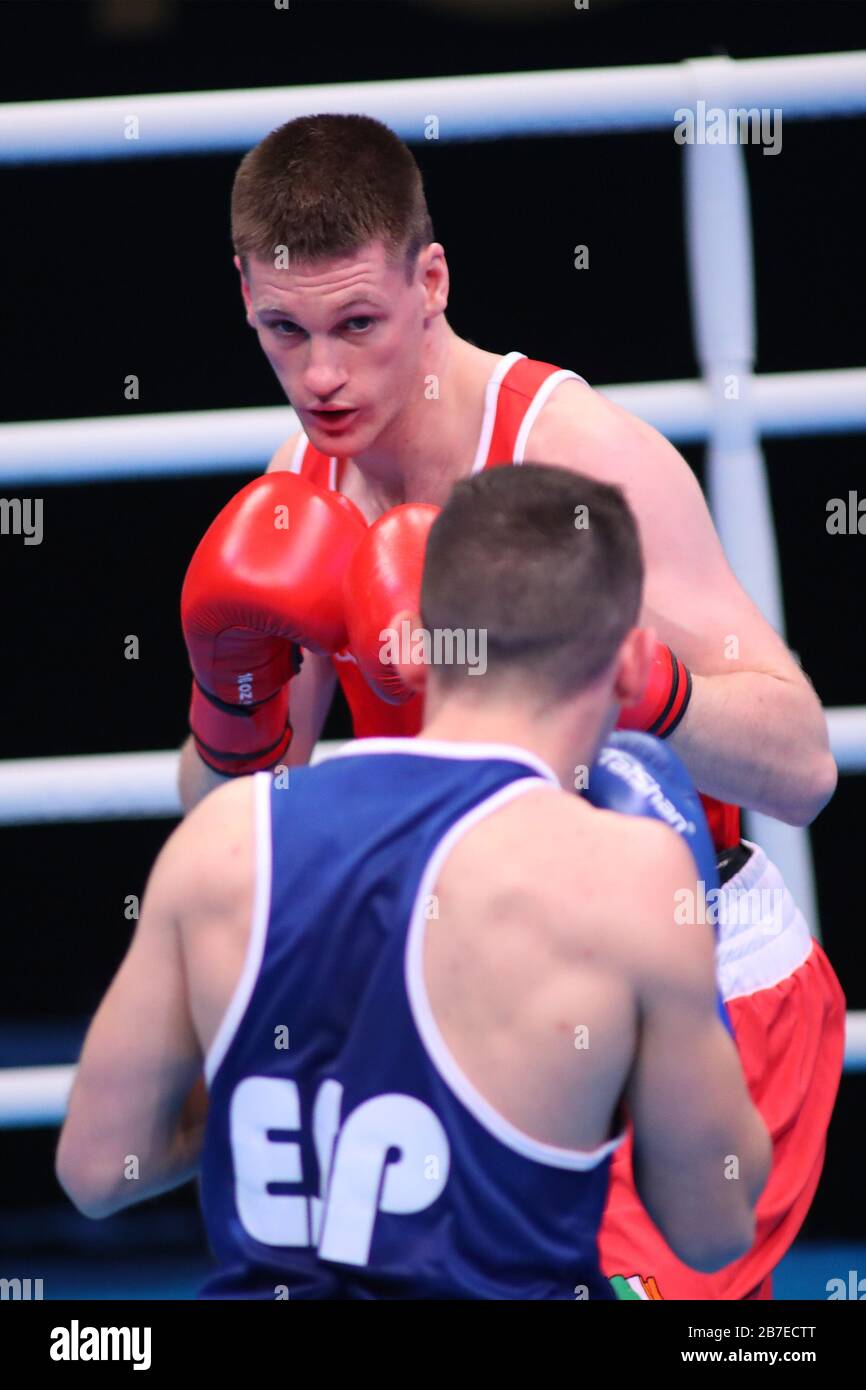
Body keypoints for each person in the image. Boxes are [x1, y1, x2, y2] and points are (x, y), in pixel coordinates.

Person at [175, 113, 845, 1298]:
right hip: (486, 987)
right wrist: (231, 700)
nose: (320, 375)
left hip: (694, 974)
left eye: (357, 325)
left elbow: (798, 765)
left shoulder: (575, 460)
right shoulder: (300, 498)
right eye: (284, 330)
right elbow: (237, 819)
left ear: (429, 279)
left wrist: (644, 682)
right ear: (241, 294)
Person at [57, 464, 770, 1300]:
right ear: (630, 667)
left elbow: (98, 1171)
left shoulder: (224, 836)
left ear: (418, 645)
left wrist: (306, 1098)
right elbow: (714, 1224)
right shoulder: (627, 874)